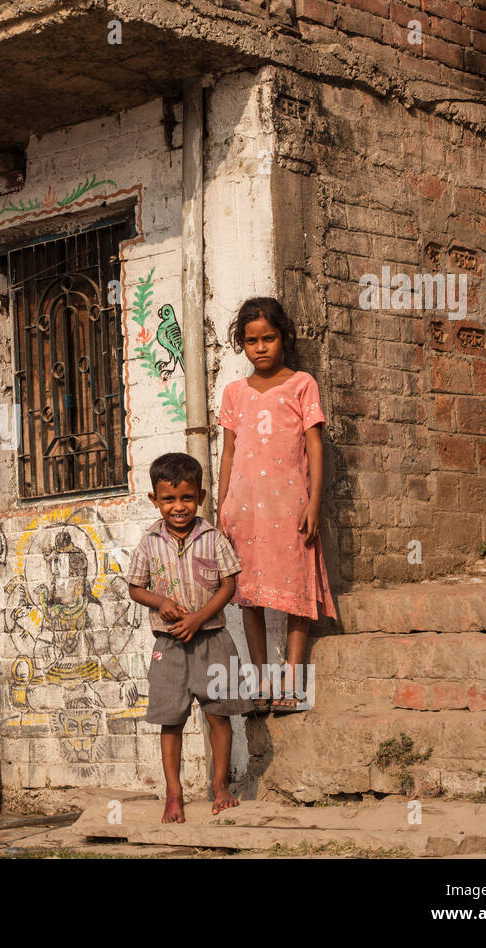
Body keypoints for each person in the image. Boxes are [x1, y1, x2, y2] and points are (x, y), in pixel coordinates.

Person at [218, 297, 336, 712]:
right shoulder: (234, 393)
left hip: (291, 506)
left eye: (268, 338)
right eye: (251, 341)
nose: (261, 347)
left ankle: (292, 683)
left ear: (283, 337)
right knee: (248, 595)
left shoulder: (302, 384)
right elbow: (229, 453)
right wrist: (221, 508)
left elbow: (314, 446)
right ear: (242, 345)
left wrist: (314, 502)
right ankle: (261, 682)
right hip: (244, 510)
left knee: (295, 591)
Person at [126, 452, 252, 823]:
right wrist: (161, 601)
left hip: (212, 638)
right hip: (169, 644)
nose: (178, 507)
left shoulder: (213, 538)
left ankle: (220, 787)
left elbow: (229, 585)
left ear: (200, 496)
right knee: (171, 720)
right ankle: (174, 793)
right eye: (169, 499)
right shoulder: (149, 542)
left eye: (186, 498)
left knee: (218, 715)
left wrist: (199, 617)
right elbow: (135, 587)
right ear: (155, 500)